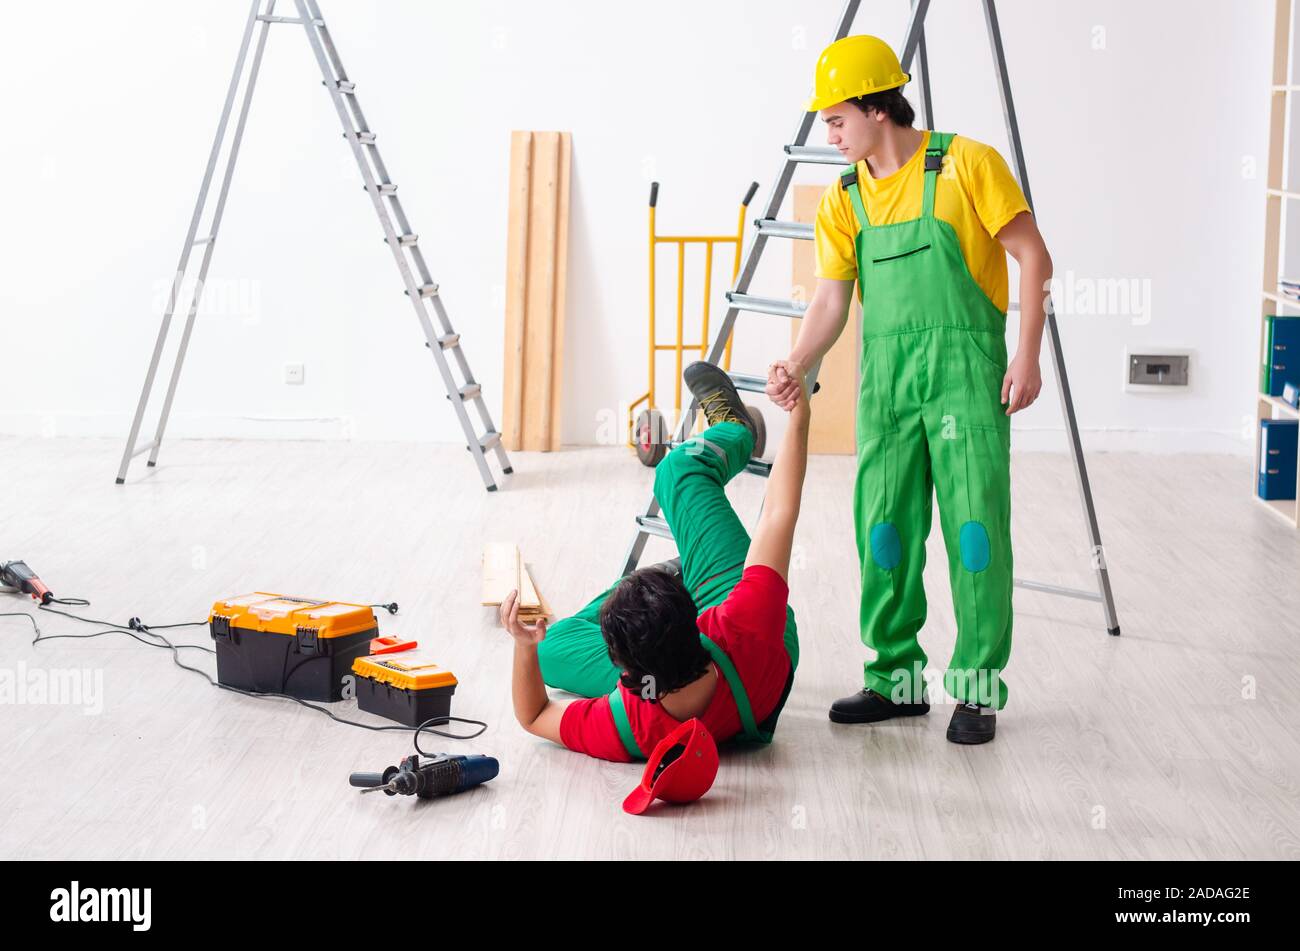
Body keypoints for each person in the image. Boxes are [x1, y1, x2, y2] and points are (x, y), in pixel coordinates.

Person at [766, 34, 1053, 744]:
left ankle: (978, 690)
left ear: (875, 107)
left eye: (836, 119)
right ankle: (896, 680)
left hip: (966, 380)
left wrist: (1027, 356)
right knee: (885, 531)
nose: (828, 135)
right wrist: (798, 358)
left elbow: (1032, 254)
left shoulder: (965, 165)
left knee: (974, 534)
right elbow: (833, 300)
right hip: (887, 388)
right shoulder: (843, 199)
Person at [501, 361, 810, 761]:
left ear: (626, 676)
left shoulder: (630, 727)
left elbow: (534, 714)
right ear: (697, 618)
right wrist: (800, 412)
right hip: (758, 641)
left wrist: (523, 648)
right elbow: (778, 513)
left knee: (545, 651)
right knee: (678, 469)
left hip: (678, 671)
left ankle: (735, 436)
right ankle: (734, 438)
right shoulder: (746, 620)